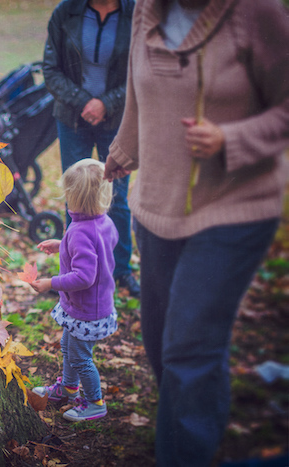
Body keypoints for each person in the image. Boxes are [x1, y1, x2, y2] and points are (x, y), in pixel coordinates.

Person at [103, 0, 289, 464]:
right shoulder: (147, 9)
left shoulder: (257, 14)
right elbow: (137, 87)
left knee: (190, 349)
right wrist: (124, 149)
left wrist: (233, 138)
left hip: (234, 209)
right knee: (162, 342)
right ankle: (195, 425)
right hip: (157, 206)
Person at [42, 0, 139, 297]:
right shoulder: (66, 11)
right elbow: (50, 69)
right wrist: (84, 102)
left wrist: (106, 104)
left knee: (118, 198)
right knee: (77, 198)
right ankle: (75, 272)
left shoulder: (135, 13)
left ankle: (120, 270)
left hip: (118, 118)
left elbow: (142, 71)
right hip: (73, 118)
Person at [30, 159, 118, 422]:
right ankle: (67, 388)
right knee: (69, 347)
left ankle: (95, 403)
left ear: (75, 198)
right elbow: (97, 250)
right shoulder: (103, 222)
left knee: (81, 358)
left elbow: (84, 276)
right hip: (92, 306)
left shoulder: (80, 231)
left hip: (85, 310)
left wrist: (51, 283)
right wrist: (63, 244)